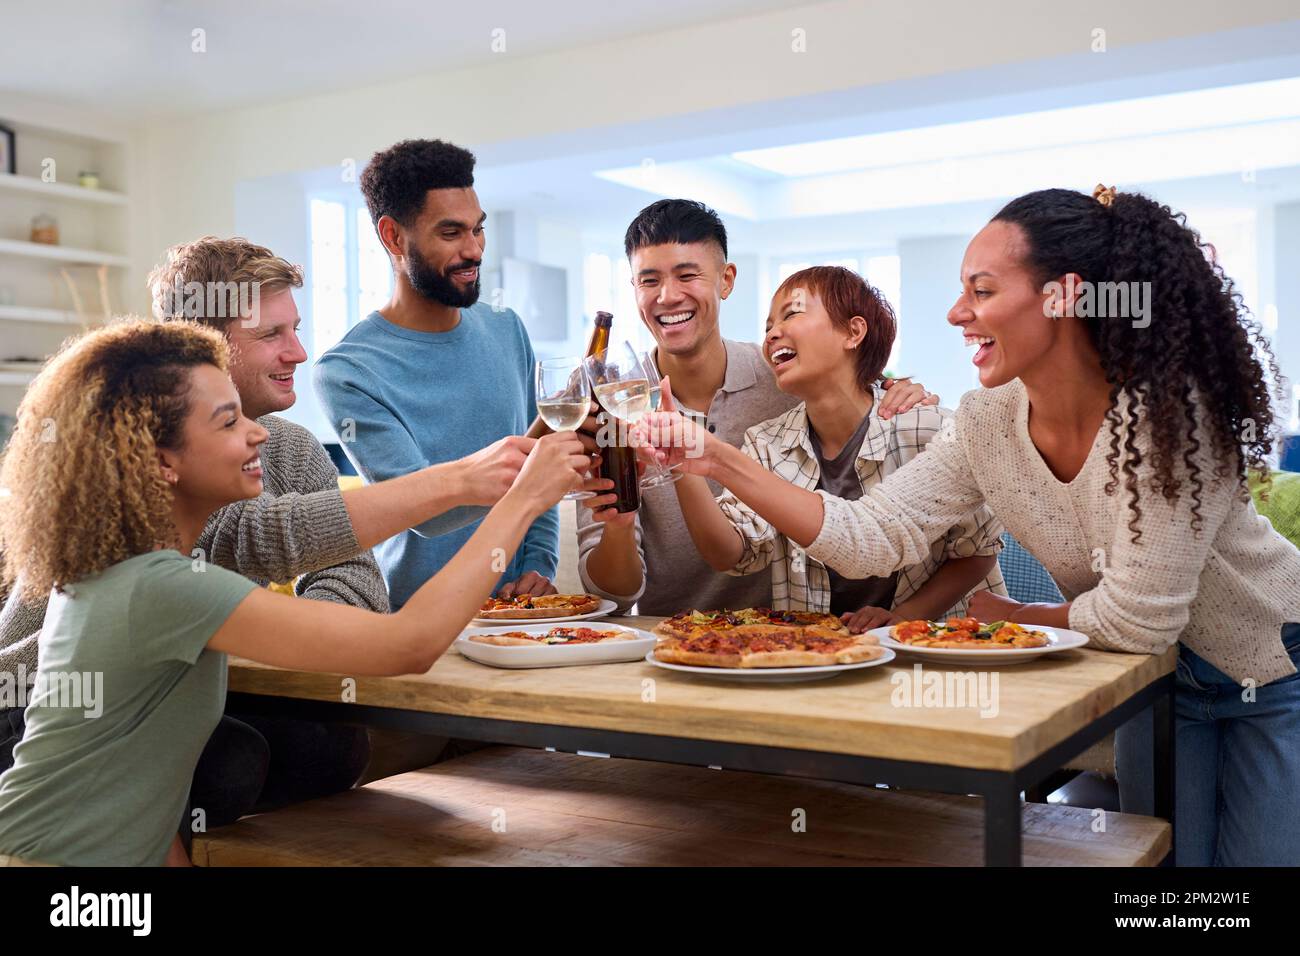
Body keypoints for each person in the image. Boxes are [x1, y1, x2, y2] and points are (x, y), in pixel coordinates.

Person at [639, 185, 1300, 866]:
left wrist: (1019, 611)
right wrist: (712, 456)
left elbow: (1139, 617)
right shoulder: (986, 421)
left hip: (1270, 667)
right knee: (1166, 878)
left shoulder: (1171, 415)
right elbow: (871, 536)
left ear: (1063, 296)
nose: (958, 313)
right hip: (1140, 680)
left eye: (981, 291)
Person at [0, 318, 586, 866]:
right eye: (228, 422)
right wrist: (522, 503)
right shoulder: (162, 588)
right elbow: (410, 644)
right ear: (160, 463)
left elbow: (141, 798)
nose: (257, 433)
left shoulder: (136, 571)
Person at [576, 199, 936, 614]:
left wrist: (898, 388)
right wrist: (620, 523)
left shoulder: (785, 378)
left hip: (796, 634)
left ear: (726, 280)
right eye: (649, 281)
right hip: (676, 639)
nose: (668, 296)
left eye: (687, 275)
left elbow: (853, 378)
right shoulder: (610, 403)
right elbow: (614, 598)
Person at [666, 265, 1004, 630]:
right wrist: (682, 467)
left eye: (792, 313)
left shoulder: (929, 428)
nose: (772, 334)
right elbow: (731, 554)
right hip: (823, 650)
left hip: (942, 647)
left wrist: (903, 619)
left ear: (853, 331)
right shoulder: (765, 443)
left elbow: (977, 552)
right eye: (767, 328)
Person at [316, 139, 558, 609]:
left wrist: (539, 562)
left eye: (478, 229)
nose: (474, 250)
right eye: (451, 233)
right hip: (413, 619)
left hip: (514, 616)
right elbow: (420, 511)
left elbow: (540, 449)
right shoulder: (347, 370)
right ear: (393, 237)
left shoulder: (507, 330)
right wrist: (538, 474)